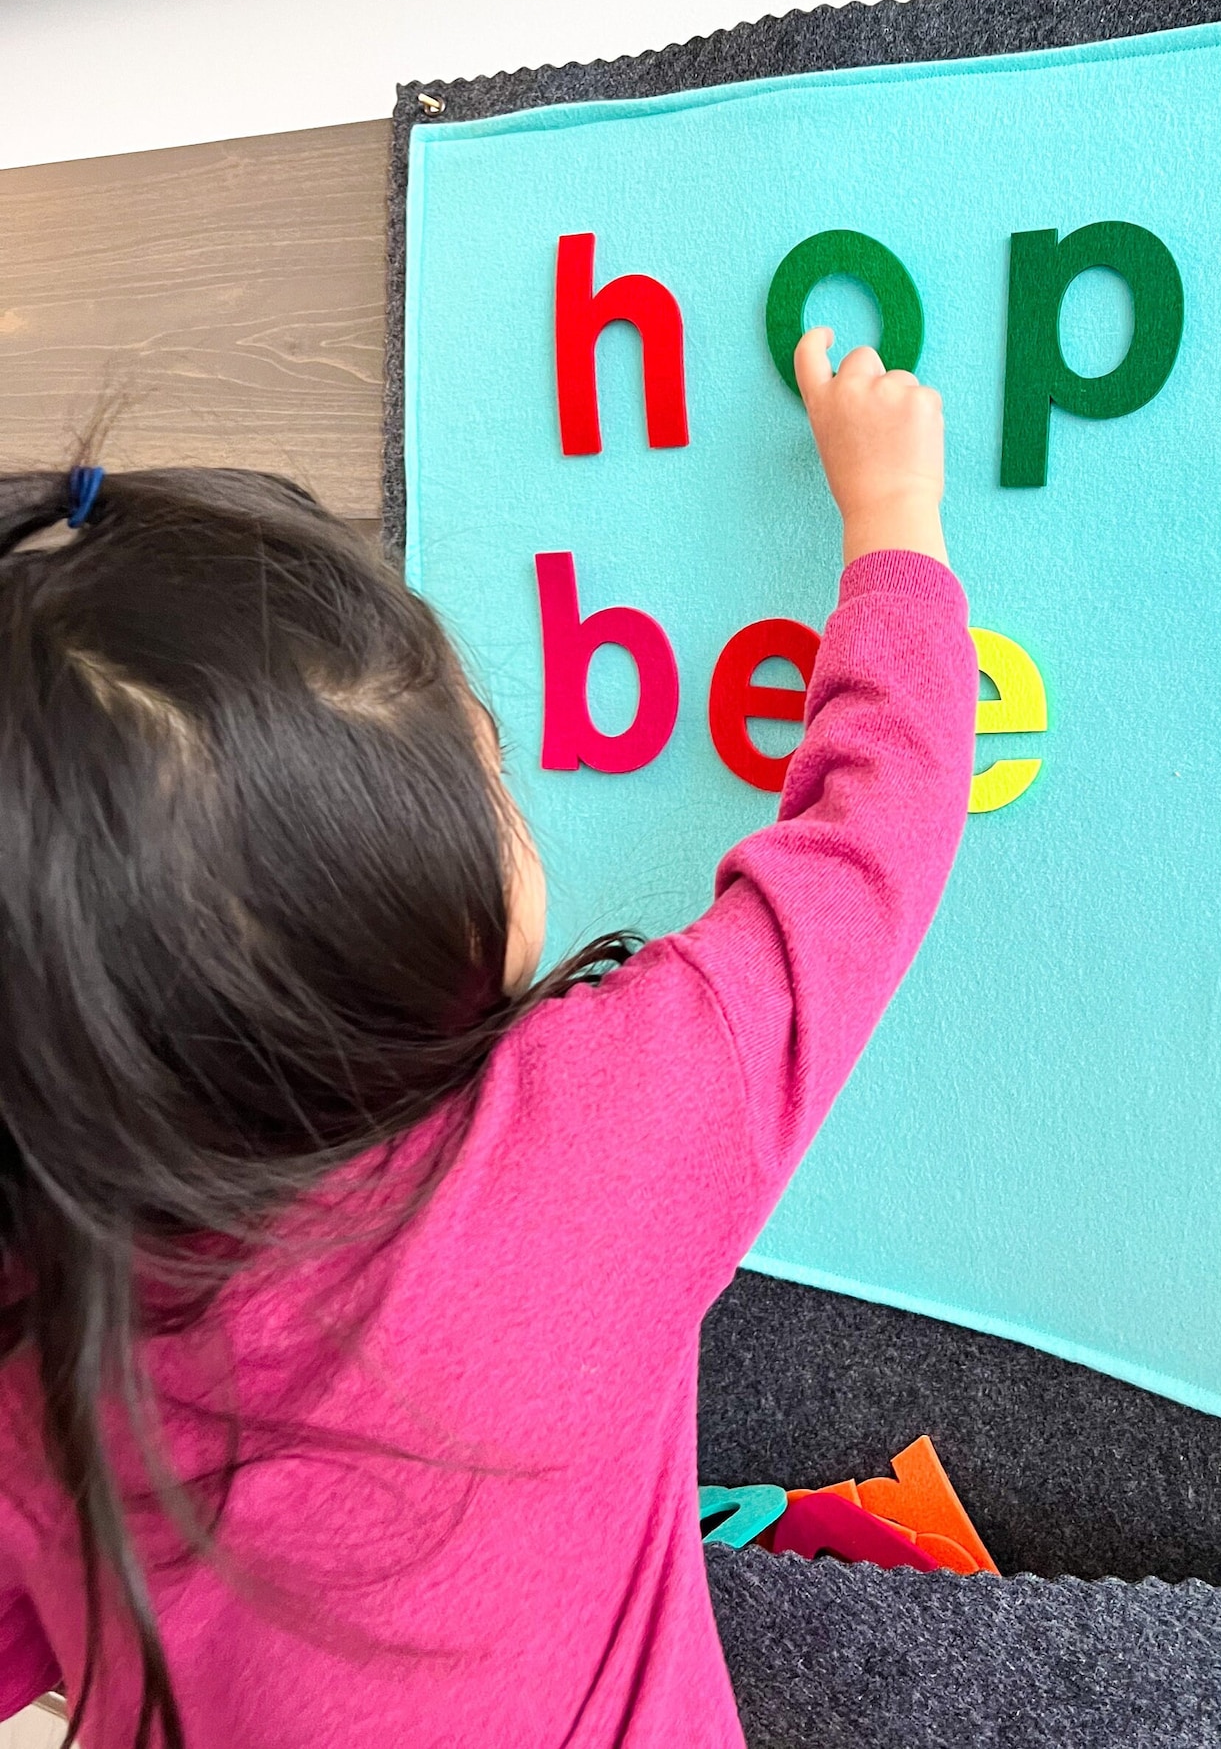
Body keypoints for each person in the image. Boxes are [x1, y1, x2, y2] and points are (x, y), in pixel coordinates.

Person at [0, 326, 976, 1748]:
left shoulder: (47, 1325)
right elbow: (862, 857)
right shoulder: (604, 1129)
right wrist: (895, 524)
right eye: (492, 767)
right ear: (411, 939)